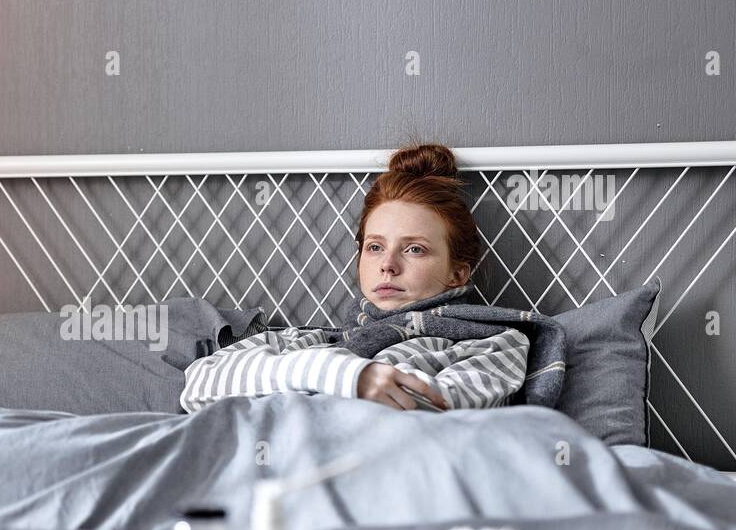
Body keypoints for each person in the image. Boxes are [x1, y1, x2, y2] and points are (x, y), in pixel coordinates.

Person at [180, 142, 533, 413]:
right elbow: (198, 385)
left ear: (458, 273)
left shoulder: (494, 345)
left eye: (414, 249)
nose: (388, 265)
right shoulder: (308, 344)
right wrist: (343, 375)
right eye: (375, 247)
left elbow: (435, 415)